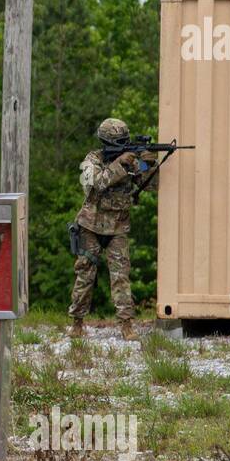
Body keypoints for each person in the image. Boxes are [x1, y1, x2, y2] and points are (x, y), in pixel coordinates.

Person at [68, 118, 158, 341]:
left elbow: (152, 185)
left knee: (121, 276)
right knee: (85, 275)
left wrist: (149, 164)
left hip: (118, 227)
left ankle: (126, 325)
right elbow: (95, 183)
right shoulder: (92, 159)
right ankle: (77, 323)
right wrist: (120, 163)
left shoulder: (130, 161)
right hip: (91, 227)